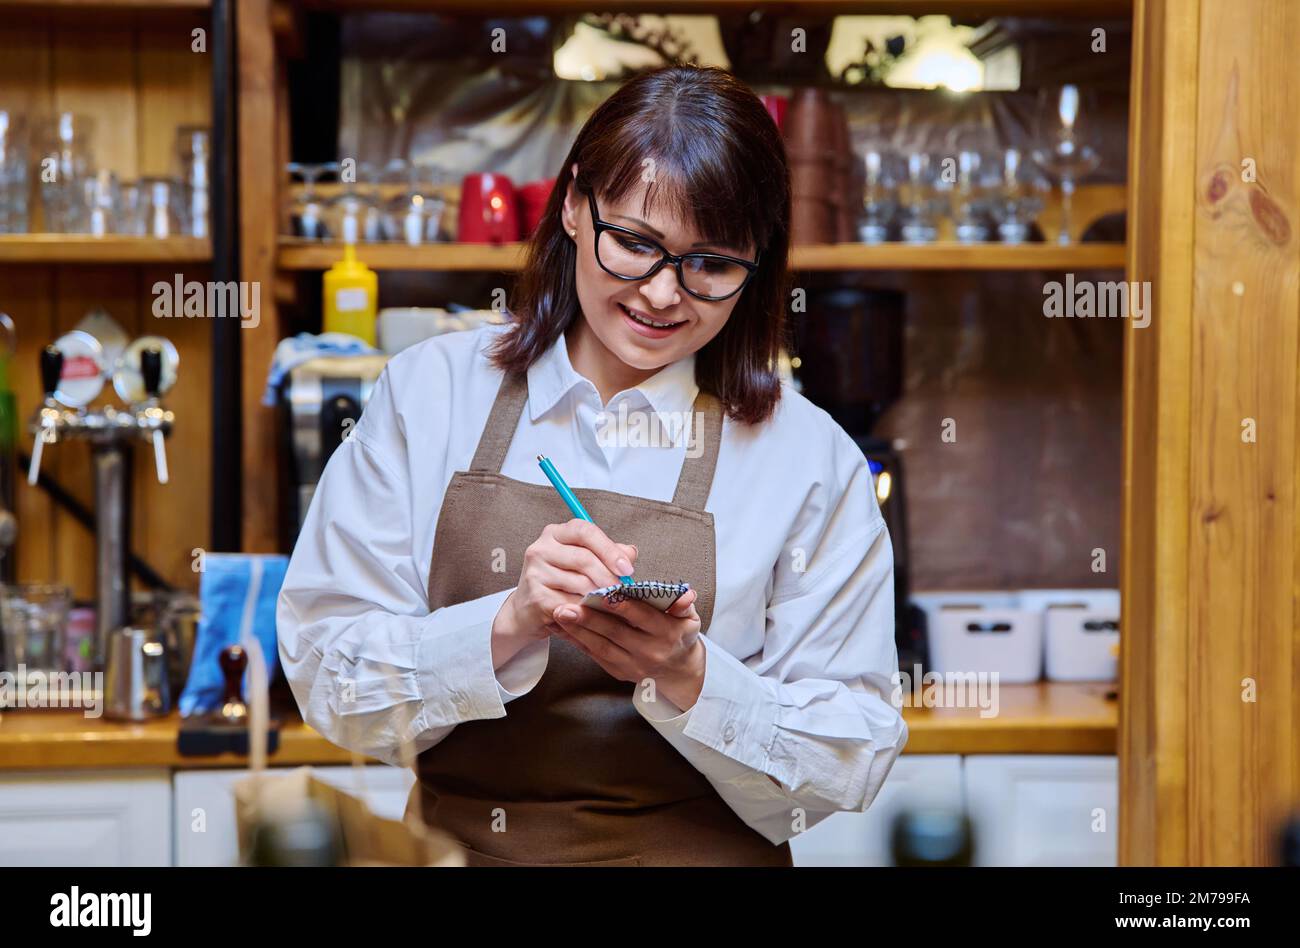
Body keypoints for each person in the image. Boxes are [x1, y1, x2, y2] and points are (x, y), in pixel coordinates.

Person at [277, 65, 907, 867]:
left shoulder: (808, 457)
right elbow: (328, 677)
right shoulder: (429, 395)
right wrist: (504, 628)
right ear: (574, 206)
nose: (662, 294)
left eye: (710, 262)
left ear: (758, 262)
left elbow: (853, 755)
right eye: (637, 244)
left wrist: (688, 676)